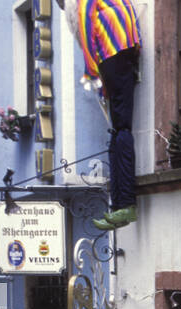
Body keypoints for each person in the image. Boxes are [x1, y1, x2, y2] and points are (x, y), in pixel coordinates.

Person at [57, 0, 142, 231]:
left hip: (112, 49)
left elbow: (85, 30)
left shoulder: (81, 4)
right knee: (118, 129)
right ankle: (119, 204)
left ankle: (125, 204)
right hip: (123, 48)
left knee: (121, 128)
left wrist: (92, 73)